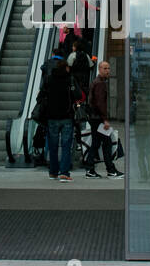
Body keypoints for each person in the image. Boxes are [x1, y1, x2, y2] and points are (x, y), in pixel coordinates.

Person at [38, 47, 77, 181]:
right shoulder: (69, 80)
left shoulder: (49, 80)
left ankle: (53, 172)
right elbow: (77, 94)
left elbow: (40, 96)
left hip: (51, 117)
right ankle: (64, 173)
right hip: (67, 117)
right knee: (66, 146)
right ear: (65, 67)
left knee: (53, 146)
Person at [84, 60, 122, 179]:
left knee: (96, 143)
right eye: (105, 68)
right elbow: (100, 103)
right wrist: (105, 119)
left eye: (108, 68)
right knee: (107, 143)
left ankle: (90, 169)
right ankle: (110, 170)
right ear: (99, 69)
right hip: (98, 119)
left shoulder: (97, 81)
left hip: (95, 118)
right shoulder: (100, 83)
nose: (107, 71)